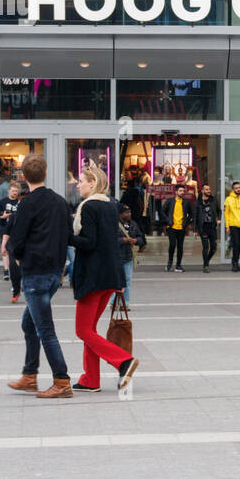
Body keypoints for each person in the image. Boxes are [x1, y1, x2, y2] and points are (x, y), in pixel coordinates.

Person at [6, 153, 76, 399]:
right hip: (54, 272)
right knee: (29, 323)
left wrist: (17, 255)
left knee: (45, 329)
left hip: (35, 273)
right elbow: (68, 235)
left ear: (24, 177)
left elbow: (17, 239)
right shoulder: (59, 202)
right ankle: (29, 374)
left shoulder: (27, 204)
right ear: (45, 174)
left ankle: (62, 380)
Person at [67, 163, 139, 395]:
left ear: (93, 183)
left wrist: (66, 237)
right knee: (90, 328)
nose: (78, 185)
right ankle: (90, 379)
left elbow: (89, 242)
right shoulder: (110, 206)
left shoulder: (88, 207)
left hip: (93, 276)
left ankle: (123, 361)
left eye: (81, 181)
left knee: (82, 330)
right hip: (109, 275)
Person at [0, 182, 23, 301]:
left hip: (21, 237)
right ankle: (7, 273)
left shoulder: (21, 205)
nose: (14, 193)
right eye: (12, 191)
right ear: (9, 191)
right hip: (6, 230)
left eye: (16, 191)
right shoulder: (2, 202)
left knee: (21, 263)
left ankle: (21, 285)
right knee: (11, 260)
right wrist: (2, 216)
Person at [115, 204, 145, 307]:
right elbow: (109, 239)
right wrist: (123, 240)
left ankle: (125, 304)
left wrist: (136, 240)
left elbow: (141, 238)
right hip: (116, 257)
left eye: (130, 212)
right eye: (126, 213)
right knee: (114, 281)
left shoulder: (133, 224)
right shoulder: (114, 224)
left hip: (128, 257)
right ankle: (113, 302)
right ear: (120, 214)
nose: (129, 214)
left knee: (127, 281)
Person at [162, 183, 191, 272]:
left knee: (180, 246)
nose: (182, 192)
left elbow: (191, 214)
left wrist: (186, 222)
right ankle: (169, 263)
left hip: (181, 227)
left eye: (183, 191)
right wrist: (168, 220)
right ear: (176, 192)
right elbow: (162, 211)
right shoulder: (170, 201)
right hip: (172, 227)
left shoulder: (186, 202)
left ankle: (178, 265)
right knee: (172, 245)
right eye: (180, 191)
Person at [196, 183, 219, 272]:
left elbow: (218, 210)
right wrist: (195, 229)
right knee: (206, 247)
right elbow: (195, 216)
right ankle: (206, 266)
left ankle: (206, 261)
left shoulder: (213, 200)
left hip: (212, 227)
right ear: (202, 191)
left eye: (209, 189)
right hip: (203, 228)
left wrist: (218, 219)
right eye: (206, 189)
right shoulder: (198, 202)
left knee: (214, 248)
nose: (209, 191)